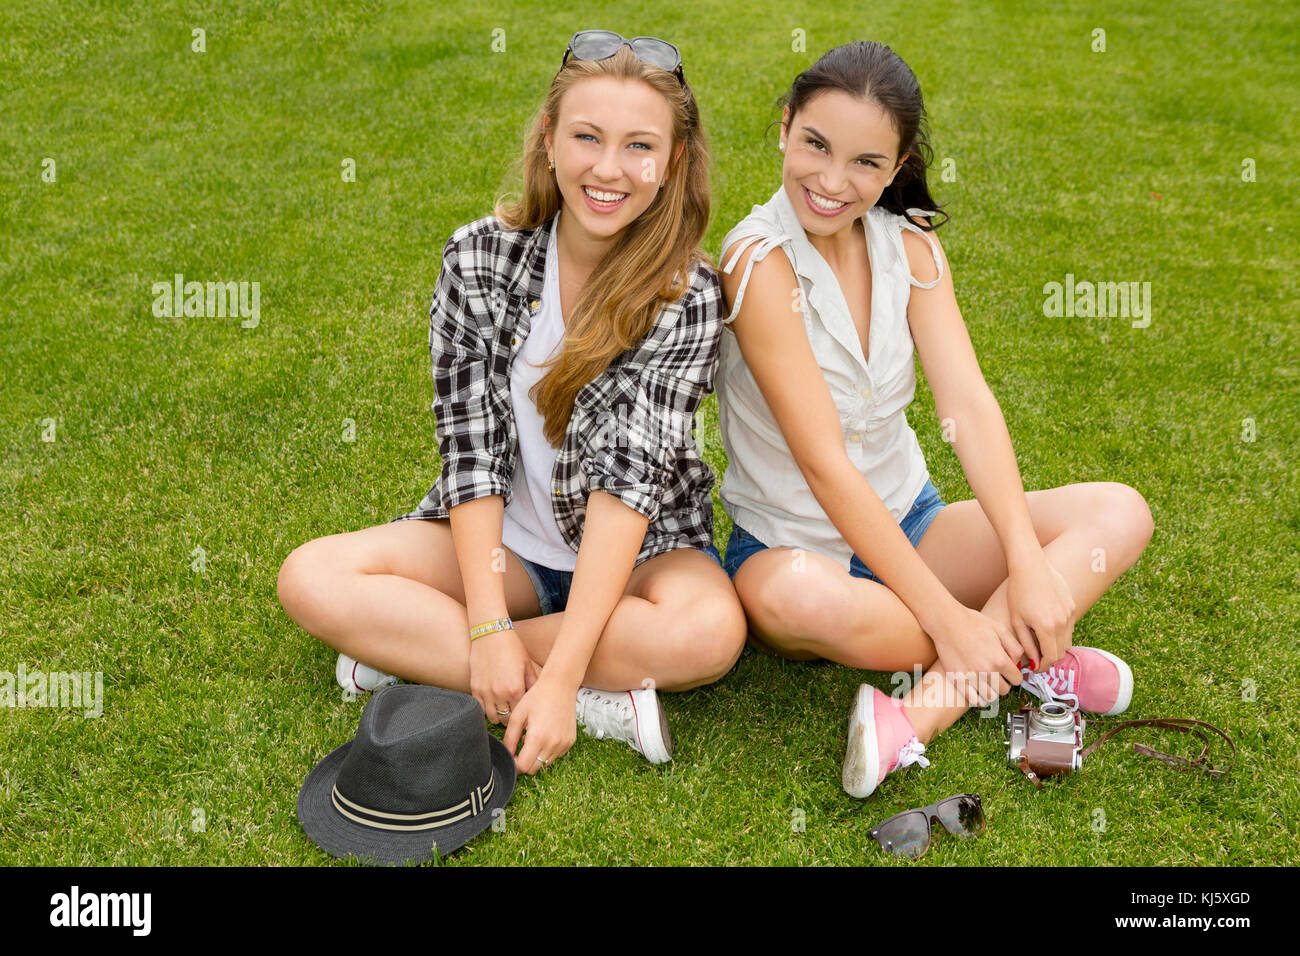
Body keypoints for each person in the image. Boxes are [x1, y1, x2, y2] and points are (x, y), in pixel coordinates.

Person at [277, 31, 746, 776]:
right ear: (549, 141)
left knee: (711, 633)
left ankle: (419, 655)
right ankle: (594, 693)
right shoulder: (477, 257)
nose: (608, 168)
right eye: (586, 137)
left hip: (643, 556)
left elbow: (627, 489)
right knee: (310, 576)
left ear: (674, 162)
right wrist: (489, 618)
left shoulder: (685, 294)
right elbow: (471, 453)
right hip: (508, 550)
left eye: (639, 146)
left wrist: (553, 674)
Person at [715, 41, 1154, 797]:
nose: (830, 181)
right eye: (815, 144)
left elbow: (970, 407)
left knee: (1119, 510)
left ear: (896, 166)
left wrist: (1024, 560)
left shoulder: (912, 248)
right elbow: (823, 464)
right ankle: (1030, 657)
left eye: (864, 162)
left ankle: (918, 714)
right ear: (784, 127)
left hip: (911, 522)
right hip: (793, 548)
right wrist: (950, 620)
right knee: (794, 596)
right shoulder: (757, 263)